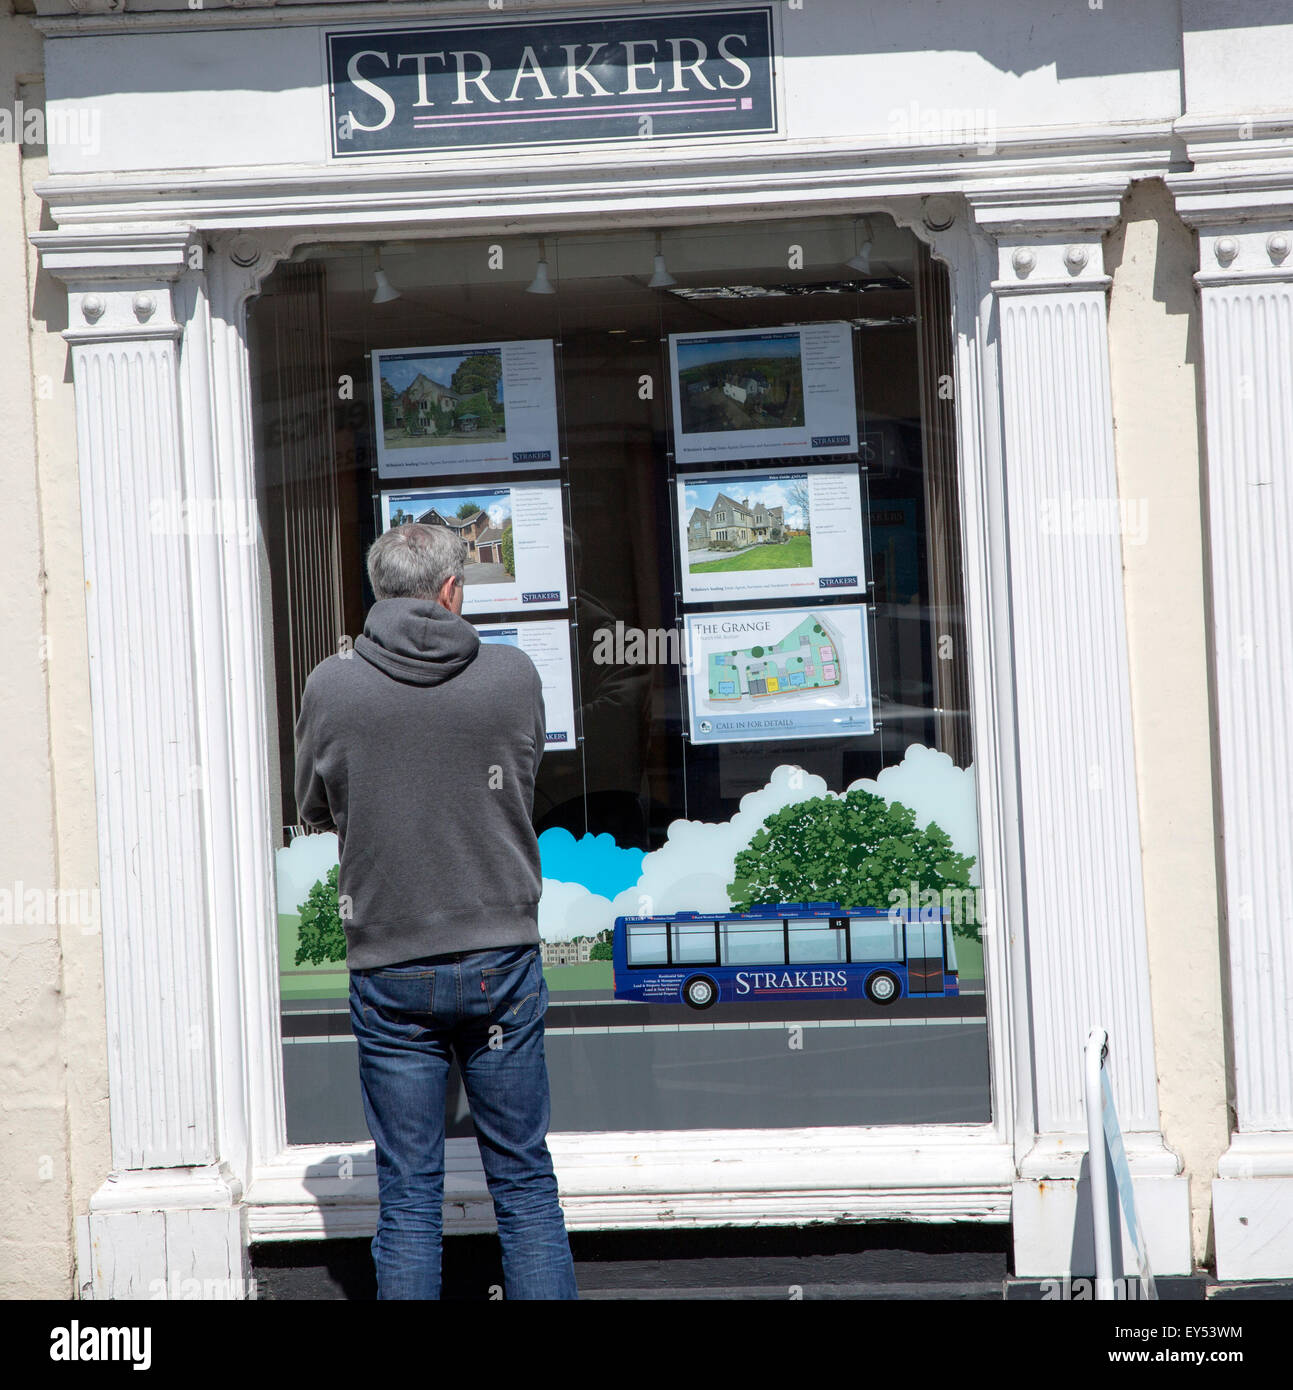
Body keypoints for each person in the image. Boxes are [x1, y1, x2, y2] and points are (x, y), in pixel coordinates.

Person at [293, 522, 577, 1300]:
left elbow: (311, 805)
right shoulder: (512, 675)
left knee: (409, 1192)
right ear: (452, 590)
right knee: (523, 1183)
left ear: (378, 591)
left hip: (389, 960)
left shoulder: (332, 684)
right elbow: (523, 772)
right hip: (499, 957)